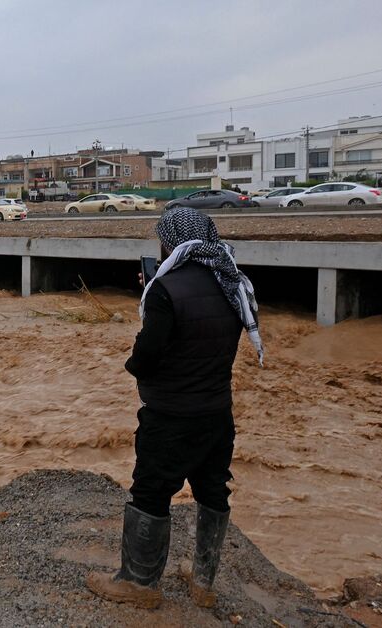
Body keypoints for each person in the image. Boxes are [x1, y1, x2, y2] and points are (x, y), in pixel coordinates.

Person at [86, 207, 263, 610]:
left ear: (170, 242)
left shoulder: (165, 290)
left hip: (170, 415)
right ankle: (203, 583)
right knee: (213, 490)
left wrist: (135, 359)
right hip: (217, 414)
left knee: (151, 491)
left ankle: (140, 584)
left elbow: (148, 354)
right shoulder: (233, 282)